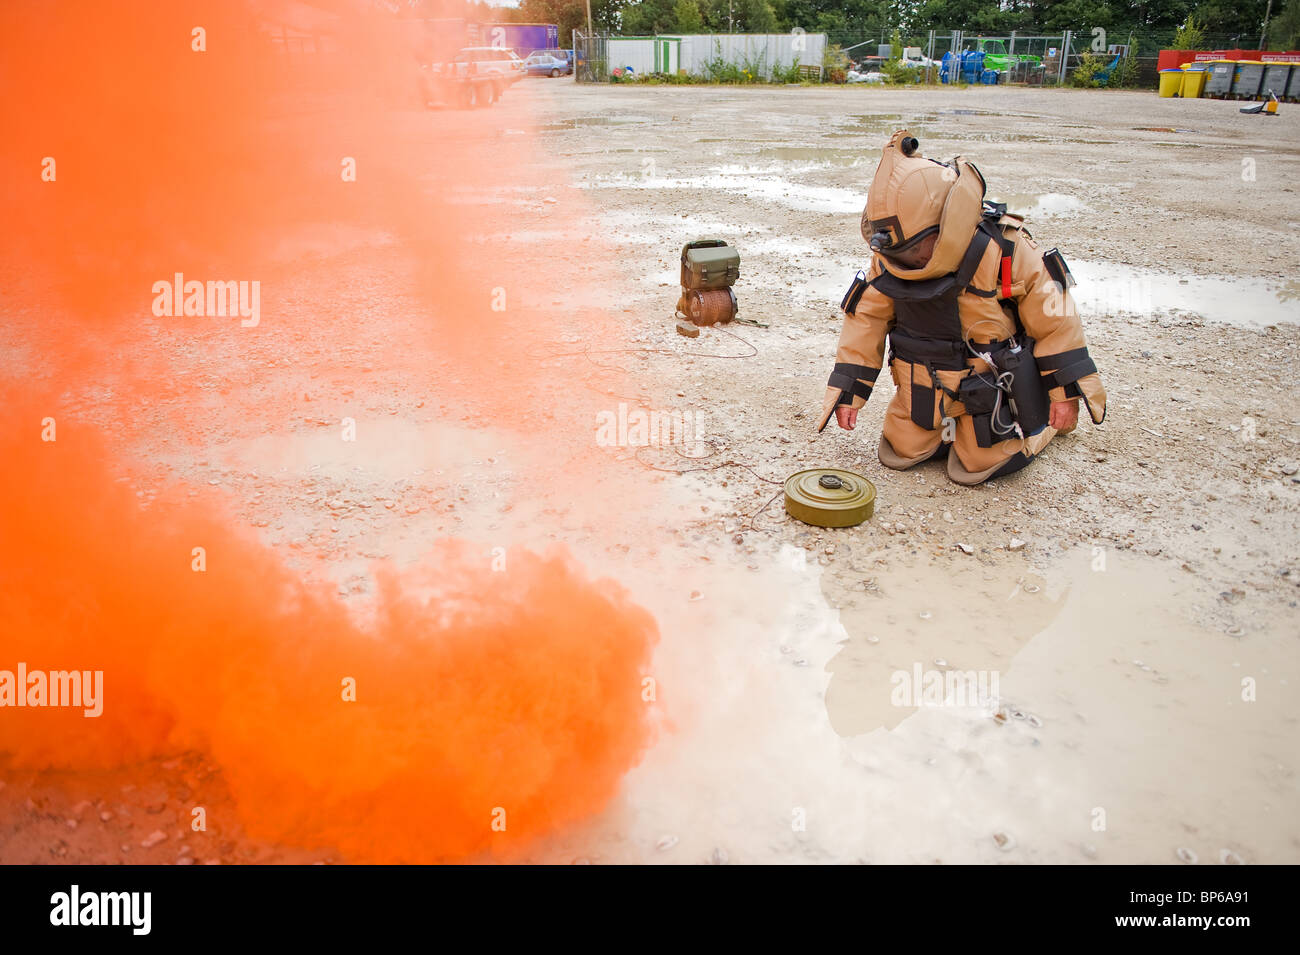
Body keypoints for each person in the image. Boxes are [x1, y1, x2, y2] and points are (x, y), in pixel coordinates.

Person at [817, 130, 1106, 485]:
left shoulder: (1006, 251)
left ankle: (1039, 426)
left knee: (975, 468)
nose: (908, 262)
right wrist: (850, 392)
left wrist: (1065, 393)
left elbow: (1056, 321)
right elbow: (866, 322)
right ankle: (942, 432)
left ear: (948, 221)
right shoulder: (887, 261)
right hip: (920, 383)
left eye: (916, 250)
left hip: (991, 384)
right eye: (896, 253)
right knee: (899, 453)